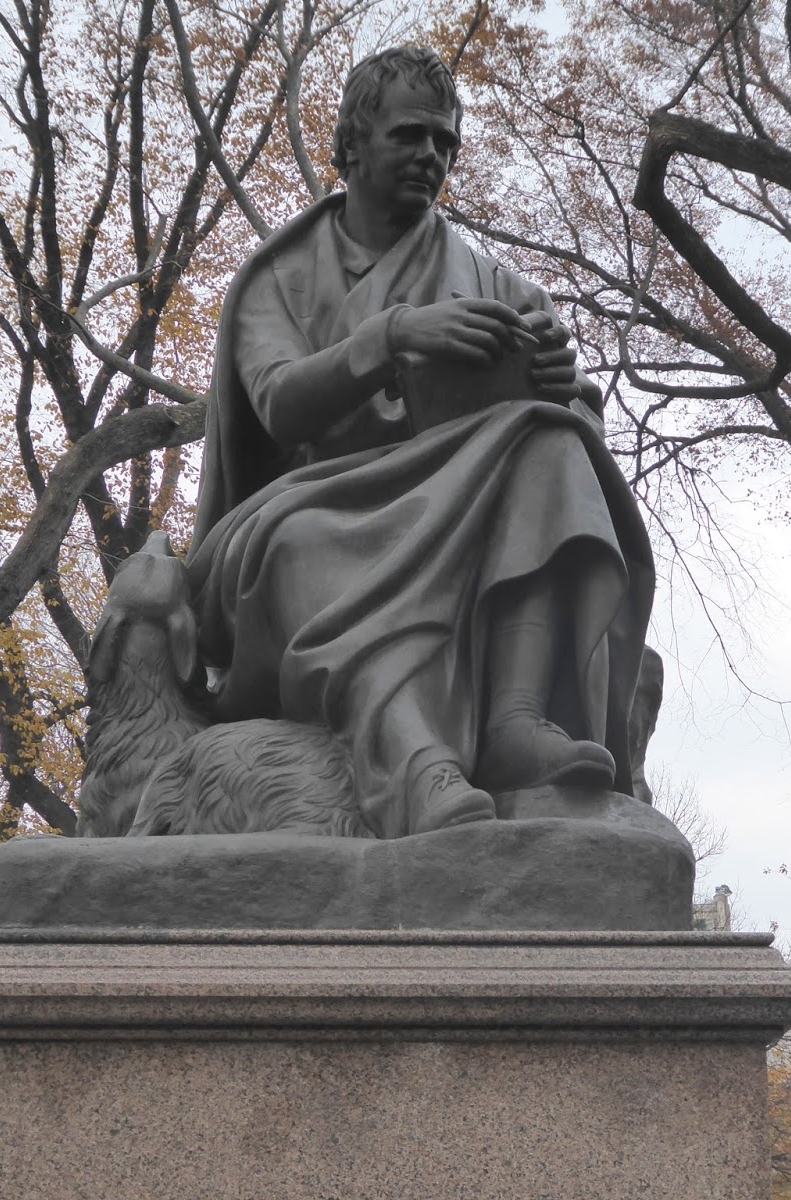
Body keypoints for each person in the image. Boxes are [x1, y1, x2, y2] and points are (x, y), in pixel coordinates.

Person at [187, 45, 654, 838]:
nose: (430, 156)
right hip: (307, 512)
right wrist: (392, 337)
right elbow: (281, 404)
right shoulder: (280, 276)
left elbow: (579, 418)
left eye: (445, 142)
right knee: (304, 546)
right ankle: (414, 762)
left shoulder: (493, 281)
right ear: (351, 145)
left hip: (458, 510)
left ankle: (513, 719)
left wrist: (560, 387)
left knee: (553, 443)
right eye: (409, 135)